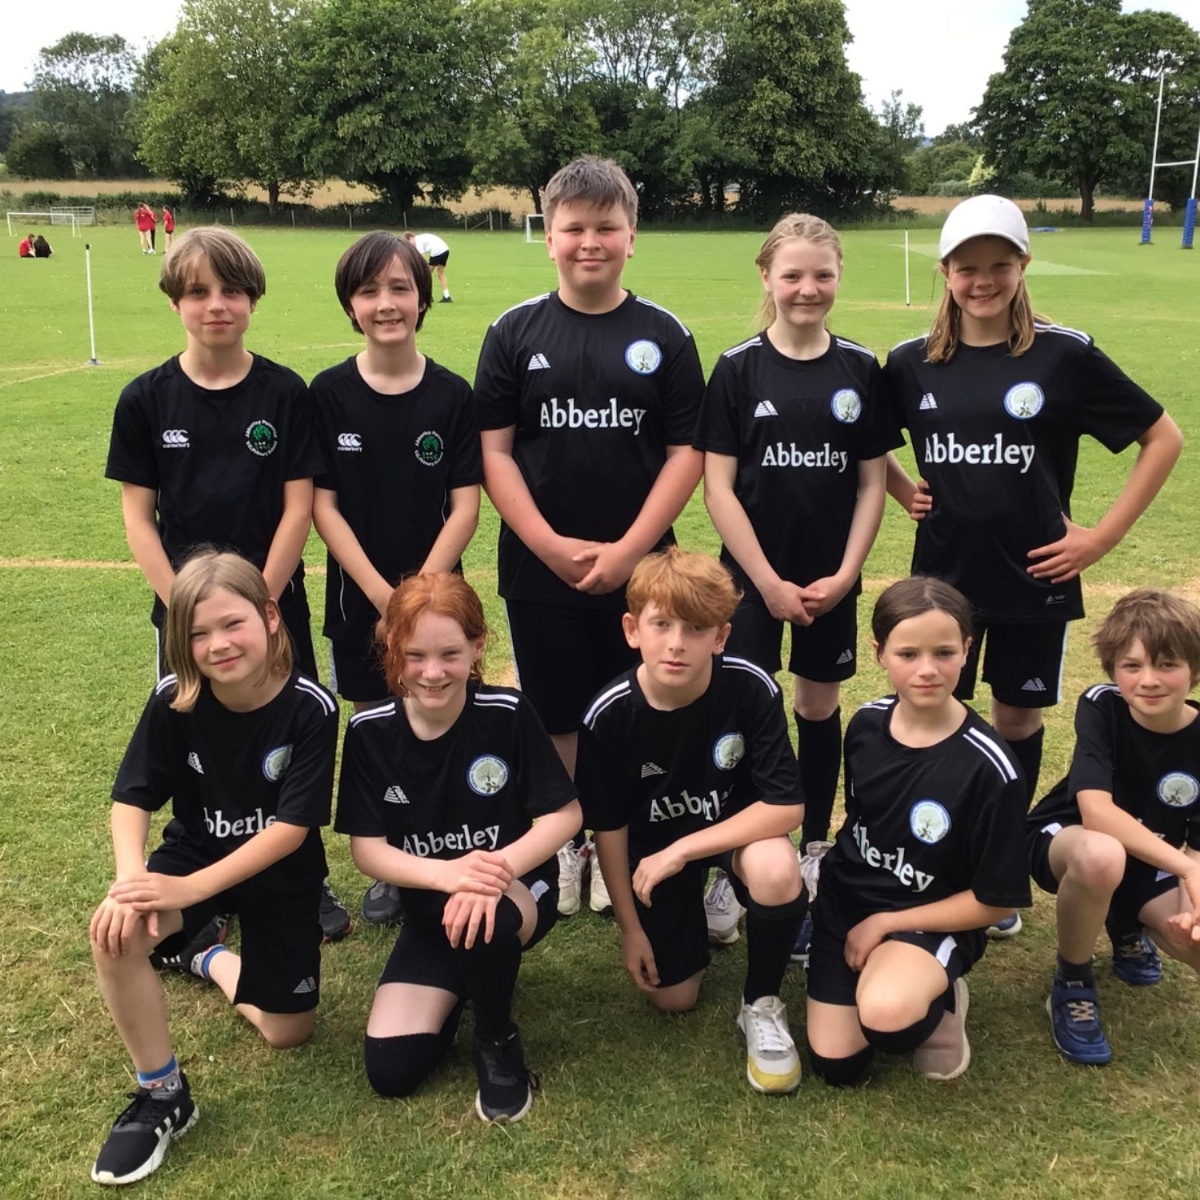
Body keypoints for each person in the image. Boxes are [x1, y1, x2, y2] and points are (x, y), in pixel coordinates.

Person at [883, 194, 1181, 938]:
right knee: (931, 712)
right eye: (967, 268)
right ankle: (942, 851)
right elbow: (860, 439)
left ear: (1022, 267)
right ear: (945, 272)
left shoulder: (1064, 354)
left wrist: (1101, 539)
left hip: (1035, 579)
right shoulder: (909, 362)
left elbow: (1163, 437)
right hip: (942, 586)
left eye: (999, 266)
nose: (982, 281)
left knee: (1015, 718)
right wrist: (902, 488)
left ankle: (1002, 862)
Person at [103, 226, 351, 942]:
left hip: (276, 607)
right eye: (199, 291)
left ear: (253, 299)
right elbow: (139, 519)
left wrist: (264, 605)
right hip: (189, 622)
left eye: (232, 290)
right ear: (176, 300)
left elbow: (299, 506)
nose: (217, 305)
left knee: (290, 737)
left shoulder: (284, 392)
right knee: (200, 739)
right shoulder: (145, 399)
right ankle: (203, 875)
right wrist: (189, 611)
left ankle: (306, 879)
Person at [475, 156, 705, 917]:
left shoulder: (665, 335)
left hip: (645, 572)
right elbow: (495, 451)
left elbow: (685, 454)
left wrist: (633, 550)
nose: (590, 241)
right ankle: (571, 846)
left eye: (607, 227)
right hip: (541, 570)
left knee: (641, 705)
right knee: (558, 716)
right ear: (548, 236)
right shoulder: (512, 331)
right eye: (574, 227)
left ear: (632, 236)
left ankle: (628, 843)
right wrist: (544, 542)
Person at [89, 551, 338, 1186]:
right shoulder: (174, 699)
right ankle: (164, 1092)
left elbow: (292, 830)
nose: (218, 644)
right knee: (116, 934)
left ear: (271, 617)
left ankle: (203, 955)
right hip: (195, 853)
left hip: (277, 871)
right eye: (198, 633)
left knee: (289, 1033)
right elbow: (132, 797)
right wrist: (131, 883)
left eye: (232, 624)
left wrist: (190, 891)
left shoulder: (312, 707)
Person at [696, 212, 898, 955]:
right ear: (767, 278)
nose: (807, 289)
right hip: (748, 580)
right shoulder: (738, 368)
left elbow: (873, 483)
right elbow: (718, 491)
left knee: (816, 704)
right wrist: (766, 581)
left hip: (829, 582)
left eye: (822, 275)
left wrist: (844, 575)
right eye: (793, 275)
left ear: (839, 276)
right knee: (742, 703)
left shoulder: (860, 370)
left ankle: (813, 847)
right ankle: (731, 857)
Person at [335, 573, 581, 1123]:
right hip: (433, 906)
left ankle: (495, 1039)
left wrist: (492, 871)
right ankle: (470, 982)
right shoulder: (370, 732)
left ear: (476, 647)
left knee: (483, 913)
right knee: (391, 1069)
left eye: (449, 653)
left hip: (517, 890)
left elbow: (566, 814)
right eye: (415, 655)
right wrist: (449, 876)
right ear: (393, 653)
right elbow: (369, 852)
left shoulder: (507, 714)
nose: (432, 671)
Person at [578, 549, 807, 1095]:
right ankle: (700, 911)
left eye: (696, 628)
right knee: (673, 998)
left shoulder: (751, 685)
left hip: (730, 835)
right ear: (633, 630)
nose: (677, 643)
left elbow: (787, 805)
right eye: (662, 625)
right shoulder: (608, 715)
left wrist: (685, 849)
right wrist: (630, 929)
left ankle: (760, 1003)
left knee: (776, 869)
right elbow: (608, 831)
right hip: (653, 854)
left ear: (721, 637)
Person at [312, 231, 481, 927]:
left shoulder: (451, 394)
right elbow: (322, 507)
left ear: (422, 296)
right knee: (375, 729)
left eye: (400, 288)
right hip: (360, 606)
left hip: (438, 606)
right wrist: (385, 600)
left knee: (443, 719)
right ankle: (384, 863)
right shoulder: (326, 394)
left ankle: (437, 855)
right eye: (370, 290)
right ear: (351, 304)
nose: (387, 303)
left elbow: (466, 506)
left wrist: (415, 601)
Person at [805, 576, 1031, 1088]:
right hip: (847, 906)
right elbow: (861, 824)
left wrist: (886, 922)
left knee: (886, 1016)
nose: (927, 669)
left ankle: (942, 998)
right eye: (908, 653)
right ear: (879, 652)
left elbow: (996, 901)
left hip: (931, 918)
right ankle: (874, 970)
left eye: (944, 652)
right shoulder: (864, 726)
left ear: (968, 651)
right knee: (837, 1066)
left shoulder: (991, 767)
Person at [1028, 588, 1200, 1065]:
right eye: (1132, 665)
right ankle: (1072, 980)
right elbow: (1095, 812)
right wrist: (1185, 872)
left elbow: (1197, 844)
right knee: (1104, 855)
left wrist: (1194, 907)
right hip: (1068, 840)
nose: (1148, 680)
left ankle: (1124, 926)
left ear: (1195, 670)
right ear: (1112, 669)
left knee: (1193, 938)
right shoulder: (1102, 706)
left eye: (1167, 665)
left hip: (1149, 858)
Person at [404, 231, 453, 302]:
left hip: (438, 251)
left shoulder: (418, 241)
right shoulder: (421, 238)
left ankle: (428, 297)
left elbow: (422, 256)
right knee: (440, 274)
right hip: (445, 250)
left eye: (409, 243)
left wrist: (422, 266)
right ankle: (447, 296)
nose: (410, 245)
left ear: (411, 238)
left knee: (426, 275)